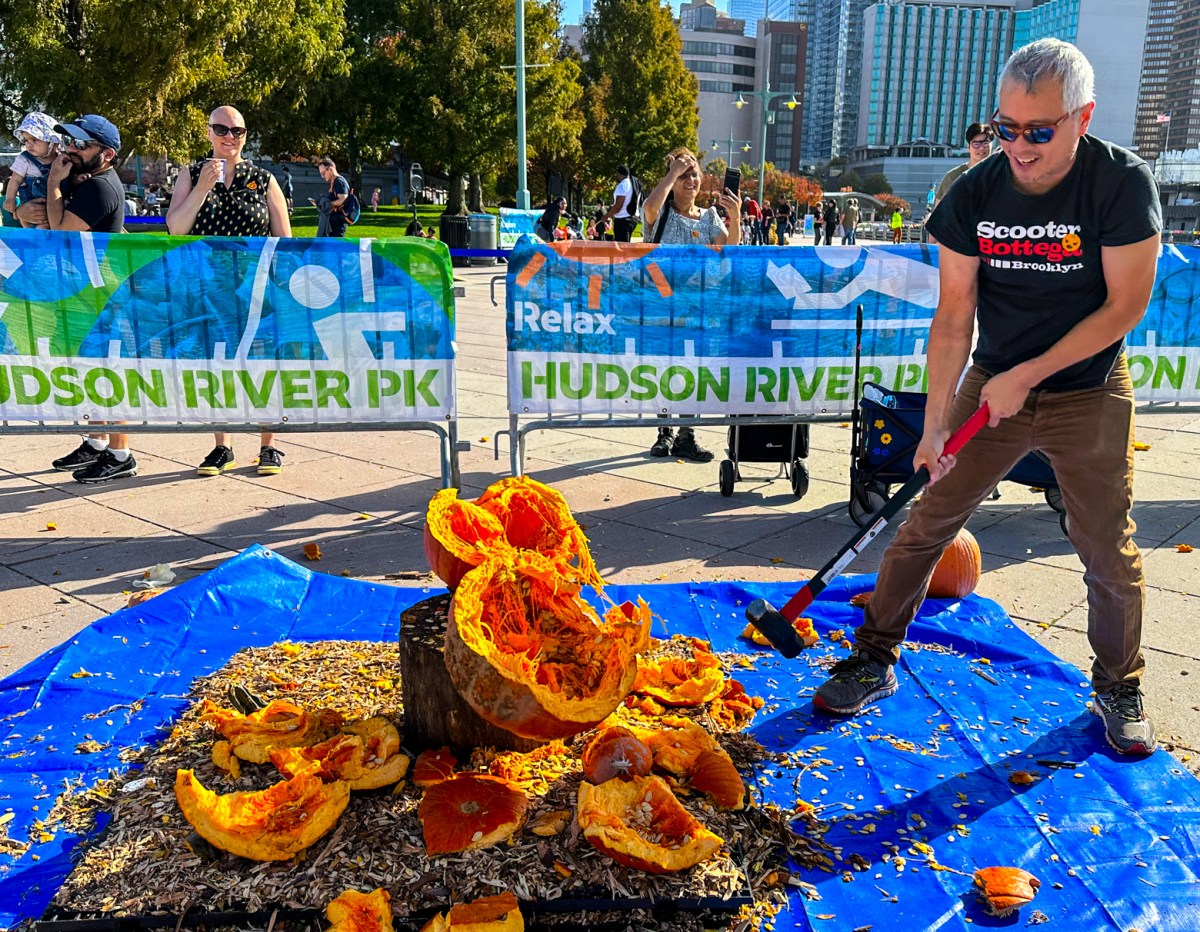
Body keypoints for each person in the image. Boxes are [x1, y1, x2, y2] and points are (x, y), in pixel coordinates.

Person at [813, 39, 1163, 758]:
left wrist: (1029, 374)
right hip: (992, 380)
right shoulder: (974, 193)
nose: (1021, 147)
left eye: (1040, 131)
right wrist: (936, 421)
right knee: (926, 517)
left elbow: (1126, 304)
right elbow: (953, 314)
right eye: (1007, 129)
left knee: (1106, 547)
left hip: (1088, 386)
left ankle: (1118, 685)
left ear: (1082, 118)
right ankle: (874, 655)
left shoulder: (1120, 183)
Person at [166, 106, 292, 478]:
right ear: (208, 133)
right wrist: (203, 188)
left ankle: (269, 445)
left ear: (245, 136)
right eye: (221, 129)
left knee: (263, 365)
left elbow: (284, 239)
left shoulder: (263, 179)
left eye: (237, 131)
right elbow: (176, 228)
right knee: (216, 364)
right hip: (208, 288)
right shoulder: (190, 174)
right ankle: (223, 446)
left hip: (256, 288)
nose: (229, 137)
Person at [35, 115, 135, 482]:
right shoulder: (88, 181)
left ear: (106, 154)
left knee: (107, 374)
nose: (71, 150)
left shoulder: (99, 189)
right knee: (88, 373)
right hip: (84, 293)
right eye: (71, 143)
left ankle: (120, 452)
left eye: (81, 145)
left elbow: (61, 230)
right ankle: (95, 442)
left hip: (99, 297)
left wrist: (53, 185)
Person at [641, 147, 741, 463]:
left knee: (692, 370)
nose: (691, 180)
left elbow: (729, 249)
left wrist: (735, 218)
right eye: (685, 175)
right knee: (664, 369)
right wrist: (672, 172)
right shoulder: (662, 212)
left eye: (694, 174)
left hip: (699, 309)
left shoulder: (709, 217)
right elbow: (647, 209)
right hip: (663, 305)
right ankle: (664, 432)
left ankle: (687, 435)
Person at [3, 113, 60, 229]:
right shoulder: (25, 160)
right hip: (30, 199)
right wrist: (10, 199)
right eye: (26, 140)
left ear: (52, 143)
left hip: (54, 203)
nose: (29, 144)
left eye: (34, 139)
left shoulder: (60, 159)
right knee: (36, 224)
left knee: (47, 224)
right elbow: (15, 180)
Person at [310, 158, 350, 237]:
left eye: (323, 173)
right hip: (333, 222)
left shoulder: (339, 181)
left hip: (337, 223)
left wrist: (327, 204)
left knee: (335, 247)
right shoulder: (335, 181)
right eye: (321, 174)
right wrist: (320, 204)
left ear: (331, 169)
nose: (322, 176)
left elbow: (343, 199)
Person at [600, 166, 637, 242]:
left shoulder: (622, 185)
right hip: (633, 218)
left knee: (621, 247)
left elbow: (618, 207)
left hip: (623, 220)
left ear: (619, 174)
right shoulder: (634, 184)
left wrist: (606, 216)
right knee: (626, 244)